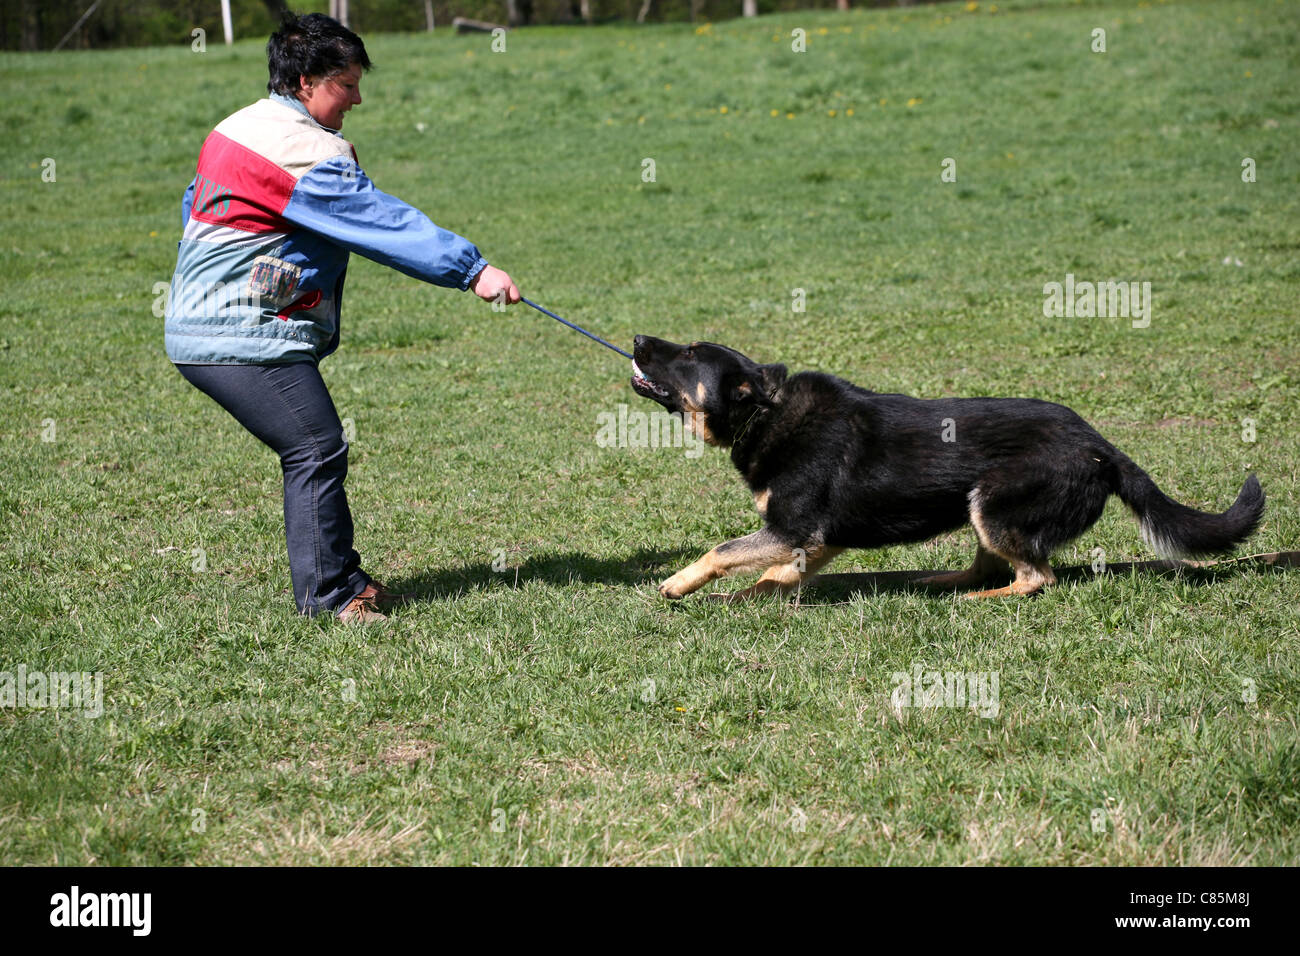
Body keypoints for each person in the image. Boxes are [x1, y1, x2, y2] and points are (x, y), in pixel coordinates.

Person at [164, 11, 519, 623]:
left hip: (209, 323)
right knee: (315, 447)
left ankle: (342, 577)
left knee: (316, 445)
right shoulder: (298, 148)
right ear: (305, 81)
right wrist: (471, 270)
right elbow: (377, 221)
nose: (357, 98)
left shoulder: (240, 127)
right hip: (236, 333)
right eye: (345, 85)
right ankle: (330, 599)